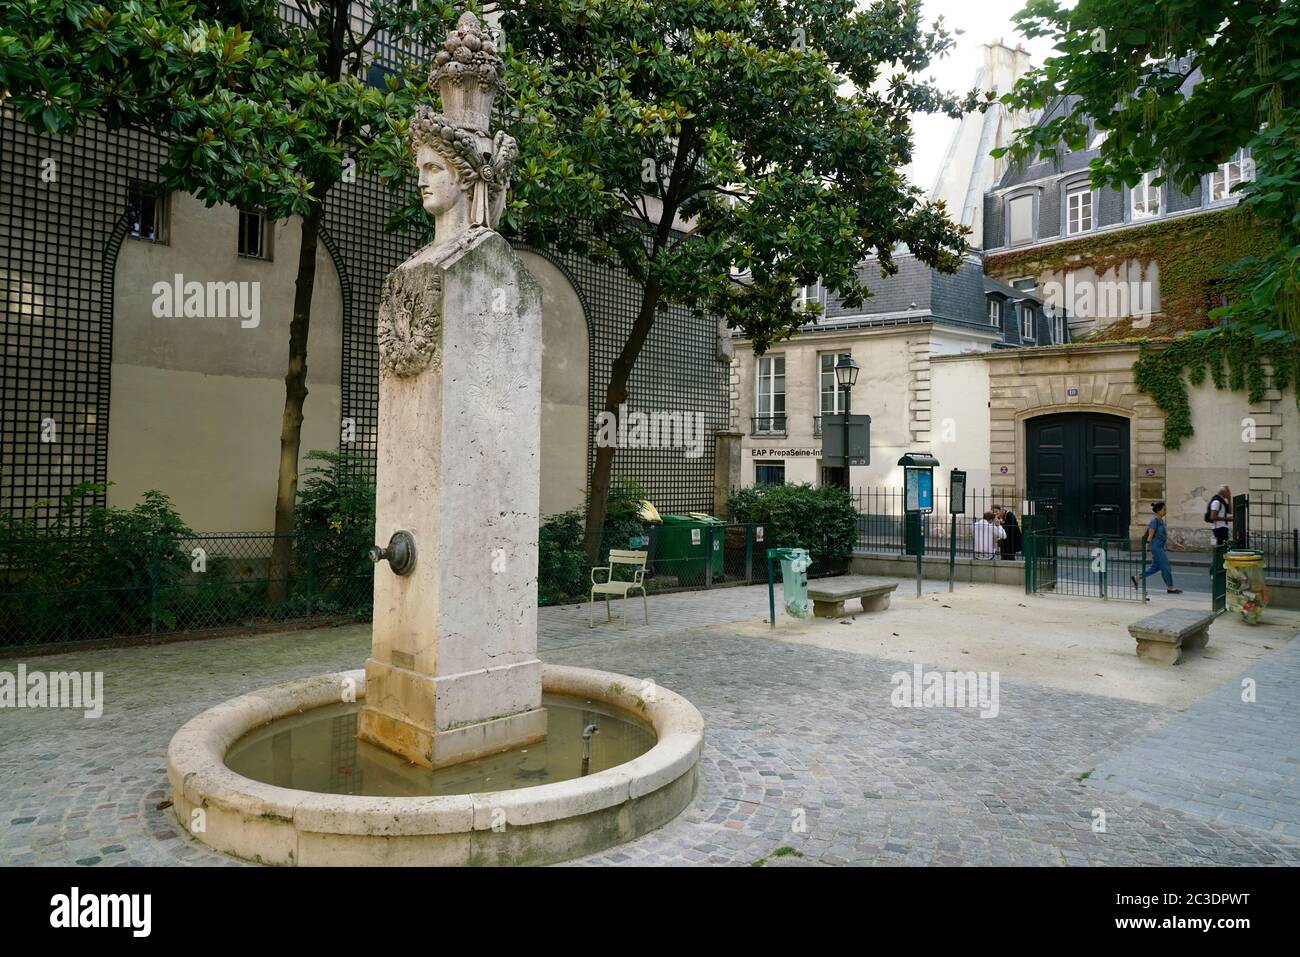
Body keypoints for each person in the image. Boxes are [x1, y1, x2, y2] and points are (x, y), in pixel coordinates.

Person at [1132, 501, 1182, 595]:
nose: (1165, 511)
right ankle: (1170, 588)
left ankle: (1136, 578)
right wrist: (1146, 550)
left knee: (1155, 567)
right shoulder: (1154, 521)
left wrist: (1175, 543)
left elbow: (1165, 534)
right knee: (1166, 567)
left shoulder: (1161, 521)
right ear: (1158, 510)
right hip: (1156, 548)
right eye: (1164, 509)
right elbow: (1149, 537)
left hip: (1160, 547)